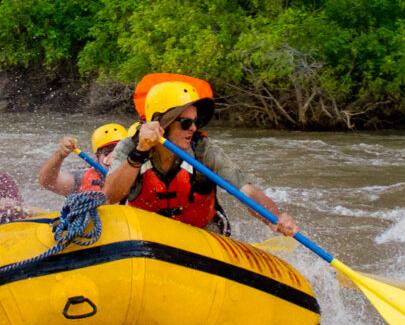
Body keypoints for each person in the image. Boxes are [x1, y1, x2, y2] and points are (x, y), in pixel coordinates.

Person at [103, 79, 299, 237]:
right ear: (162, 122)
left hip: (203, 233)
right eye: (186, 123)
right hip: (146, 234)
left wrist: (276, 217)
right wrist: (140, 152)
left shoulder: (202, 149)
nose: (193, 128)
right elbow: (110, 196)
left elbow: (246, 191)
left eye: (195, 122)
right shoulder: (130, 147)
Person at [37, 123, 127, 196]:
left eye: (122, 151)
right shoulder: (81, 179)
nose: (115, 157)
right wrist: (59, 156)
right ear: (96, 157)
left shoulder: (137, 176)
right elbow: (47, 182)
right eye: (108, 151)